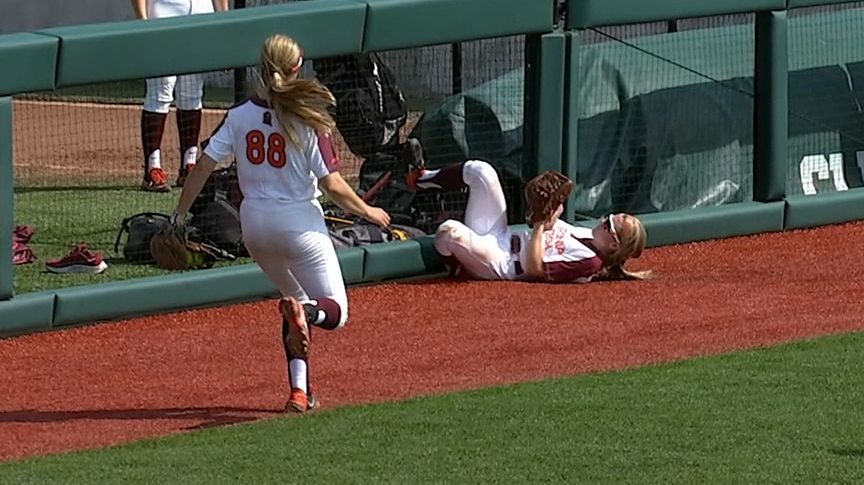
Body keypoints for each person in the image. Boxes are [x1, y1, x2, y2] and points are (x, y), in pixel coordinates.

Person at [171, 34, 391, 413]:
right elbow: (332, 184)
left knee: (293, 302)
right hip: (298, 225)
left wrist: (177, 215)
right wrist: (368, 212)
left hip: (254, 227)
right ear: (297, 68)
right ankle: (308, 314)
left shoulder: (239, 114)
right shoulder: (309, 116)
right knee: (335, 313)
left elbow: (203, 166)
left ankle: (299, 393)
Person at [404, 142, 650, 283]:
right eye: (608, 217)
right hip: (500, 235)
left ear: (615, 247)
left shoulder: (589, 262)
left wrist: (541, 225)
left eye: (609, 225)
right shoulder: (588, 234)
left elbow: (534, 269)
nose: (604, 221)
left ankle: (457, 268)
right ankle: (421, 177)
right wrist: (553, 214)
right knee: (481, 171)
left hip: (501, 263)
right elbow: (547, 232)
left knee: (448, 232)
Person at [131, 0, 230, 192]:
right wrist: (143, 20)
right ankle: (153, 168)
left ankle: (189, 165)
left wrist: (223, 23)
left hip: (201, 14)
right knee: (161, 90)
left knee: (192, 92)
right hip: (164, 12)